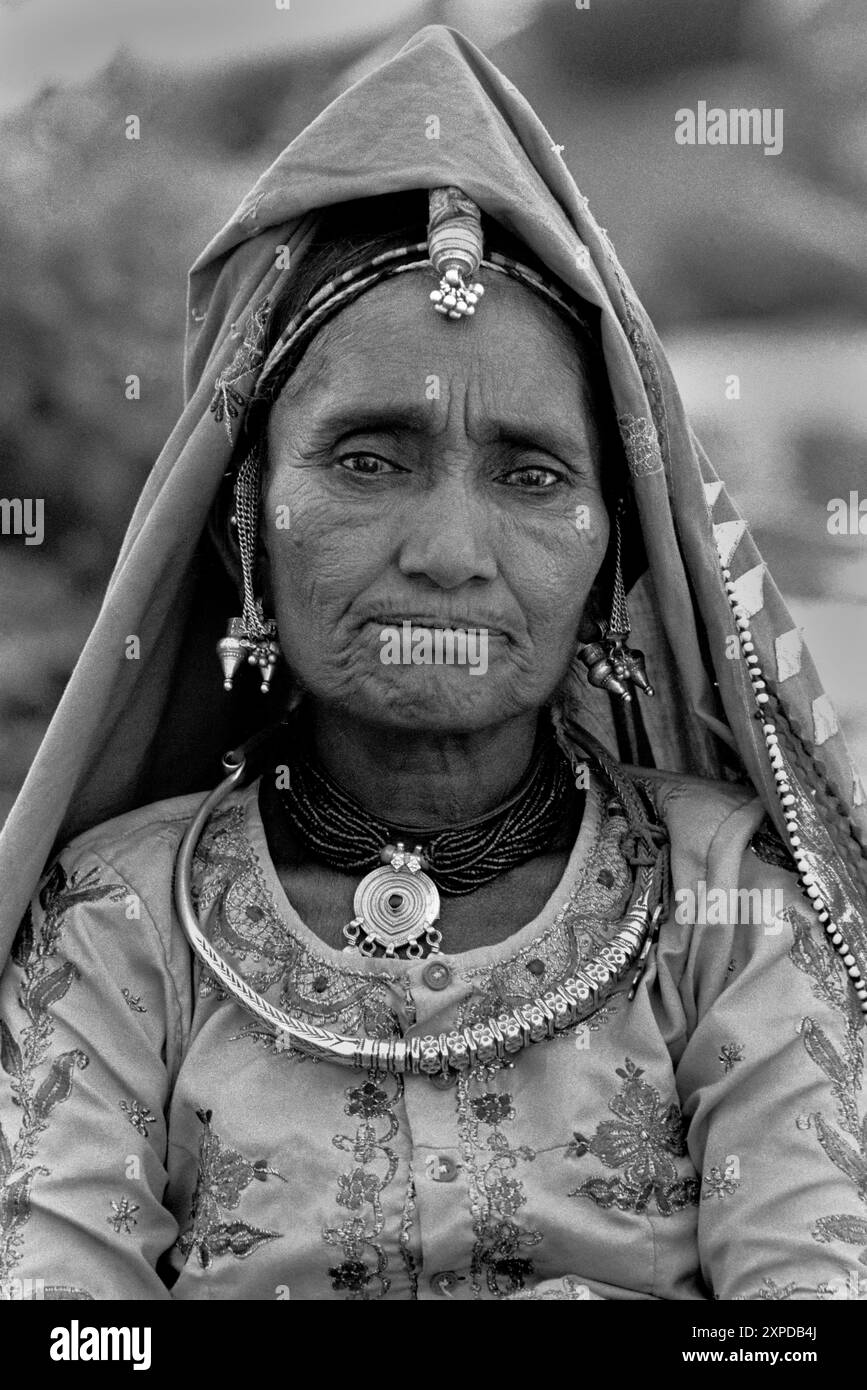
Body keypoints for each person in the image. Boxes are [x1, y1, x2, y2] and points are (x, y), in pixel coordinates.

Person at [0, 25, 865, 1303]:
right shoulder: (122, 926)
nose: (451, 550)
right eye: (368, 459)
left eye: (530, 474)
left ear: (614, 552)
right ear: (244, 515)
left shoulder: (728, 910)